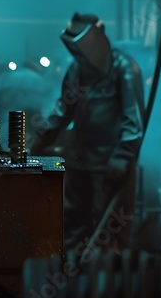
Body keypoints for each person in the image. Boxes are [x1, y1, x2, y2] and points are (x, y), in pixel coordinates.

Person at [31, 13, 145, 252]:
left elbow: (133, 120)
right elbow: (63, 110)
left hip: (112, 167)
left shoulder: (125, 68)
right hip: (80, 161)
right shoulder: (77, 70)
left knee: (111, 232)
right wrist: (38, 142)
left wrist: (122, 156)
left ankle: (111, 283)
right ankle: (70, 279)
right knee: (73, 226)